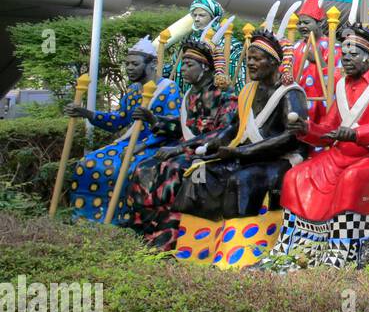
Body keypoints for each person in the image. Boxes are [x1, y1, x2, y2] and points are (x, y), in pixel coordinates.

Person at [267, 24, 369, 269]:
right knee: (295, 176)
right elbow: (329, 130)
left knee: (351, 179)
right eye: (344, 55)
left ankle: (346, 252)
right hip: (342, 153)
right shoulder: (342, 85)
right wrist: (307, 129)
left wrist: (357, 134)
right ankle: (296, 247)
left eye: (353, 55)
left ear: (367, 57)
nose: (346, 60)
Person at [169, 25, 309, 268]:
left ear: (274, 62)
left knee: (241, 180)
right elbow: (234, 129)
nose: (250, 64)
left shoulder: (290, 94)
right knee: (199, 175)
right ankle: (196, 249)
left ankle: (239, 254)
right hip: (243, 155)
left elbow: (291, 138)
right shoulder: (248, 91)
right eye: (248, 59)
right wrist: (214, 143)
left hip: (279, 160)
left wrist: (241, 152)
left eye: (257, 59)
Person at [123, 29, 238, 251]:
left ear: (205, 67)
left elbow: (223, 133)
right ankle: (146, 229)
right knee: (143, 169)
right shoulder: (191, 95)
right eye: (183, 65)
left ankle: (172, 236)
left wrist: (180, 149)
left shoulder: (225, 95)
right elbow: (182, 124)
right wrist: (154, 119)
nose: (183, 69)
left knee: (175, 170)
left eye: (189, 65)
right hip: (186, 150)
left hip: (212, 156)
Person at [64, 36, 183, 225]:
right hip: (130, 143)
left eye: (135, 64)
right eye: (127, 64)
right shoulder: (132, 91)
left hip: (157, 144)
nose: (129, 68)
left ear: (152, 64)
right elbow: (119, 120)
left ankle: (122, 219)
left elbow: (174, 126)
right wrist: (86, 113)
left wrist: (146, 135)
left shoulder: (169, 89)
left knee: (123, 168)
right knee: (88, 163)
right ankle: (85, 217)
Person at [164, 0, 243, 94]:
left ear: (214, 17)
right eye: (194, 15)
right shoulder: (188, 40)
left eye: (202, 15)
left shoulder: (232, 45)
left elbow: (239, 79)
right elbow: (174, 67)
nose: (197, 19)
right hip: (186, 96)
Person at [289, 0, 342, 122]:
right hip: (297, 105)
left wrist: (320, 62)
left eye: (306, 22)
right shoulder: (295, 47)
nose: (301, 26)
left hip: (323, 109)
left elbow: (339, 82)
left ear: (321, 23)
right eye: (299, 23)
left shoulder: (334, 48)